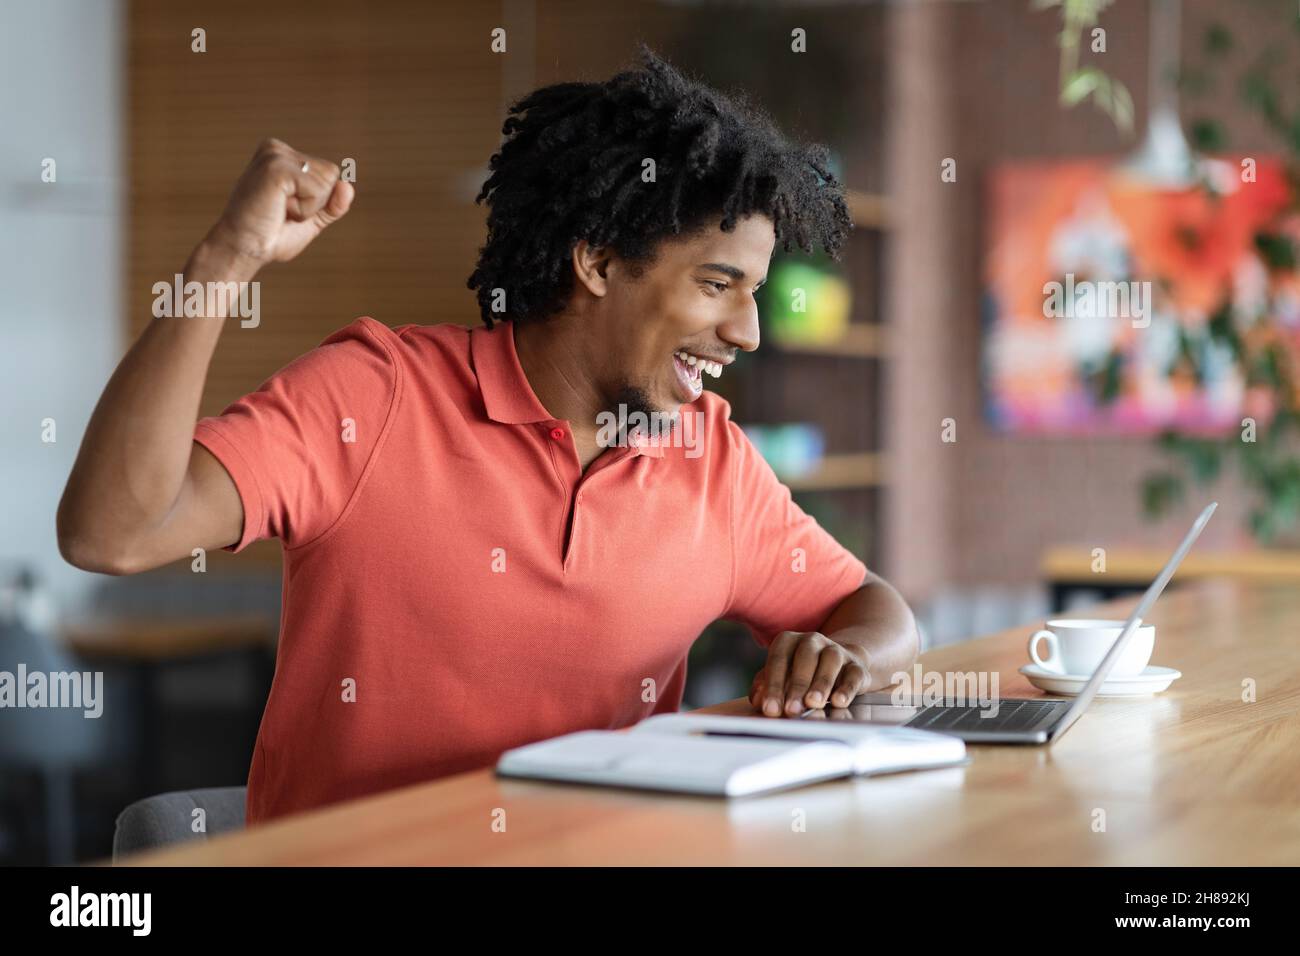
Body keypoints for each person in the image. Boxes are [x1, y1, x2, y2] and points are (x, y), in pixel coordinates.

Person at [57, 46, 918, 823]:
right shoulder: (375, 395)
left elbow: (880, 614)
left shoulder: (712, 461)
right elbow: (113, 532)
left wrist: (841, 658)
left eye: (754, 293)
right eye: (718, 283)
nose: (748, 331)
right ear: (599, 261)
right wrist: (223, 262)